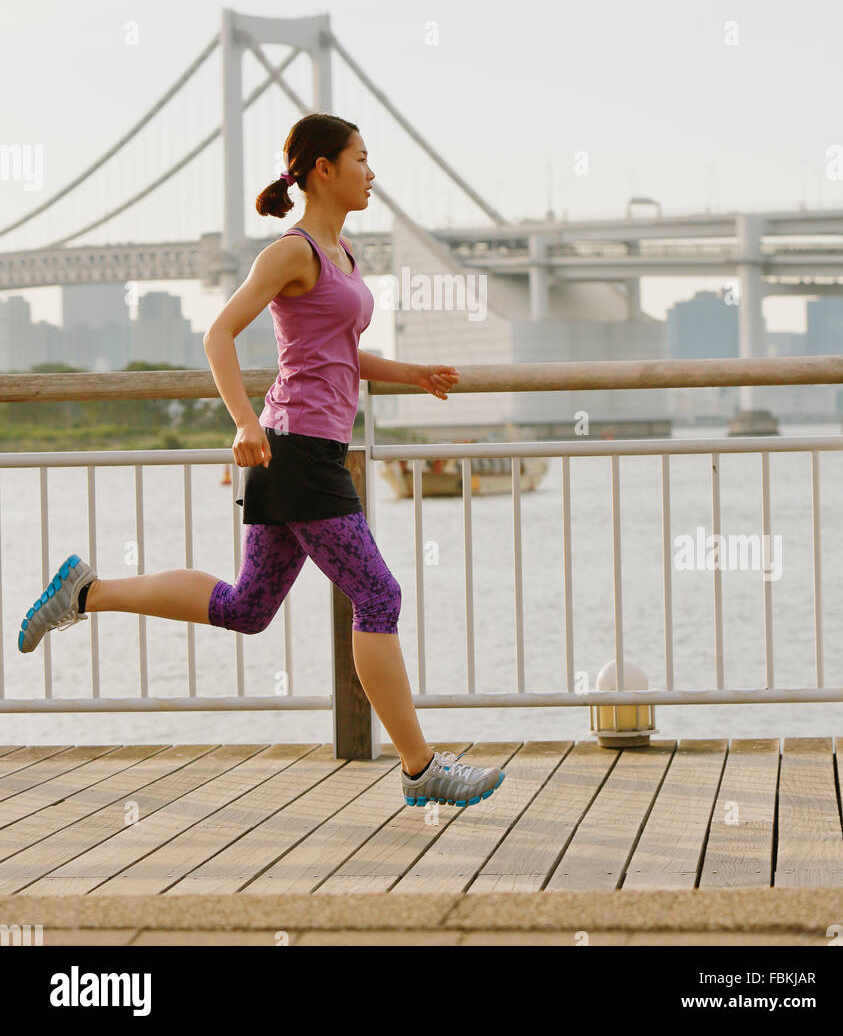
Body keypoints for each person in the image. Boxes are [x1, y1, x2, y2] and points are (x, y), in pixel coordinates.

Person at [17, 114, 505, 811]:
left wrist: (411, 371)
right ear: (323, 170)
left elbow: (338, 353)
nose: (373, 172)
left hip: (311, 448)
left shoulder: (342, 253)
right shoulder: (292, 251)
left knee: (247, 607)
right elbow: (219, 335)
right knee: (379, 596)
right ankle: (421, 768)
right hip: (296, 452)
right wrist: (244, 423)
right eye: (362, 159)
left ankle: (86, 593)